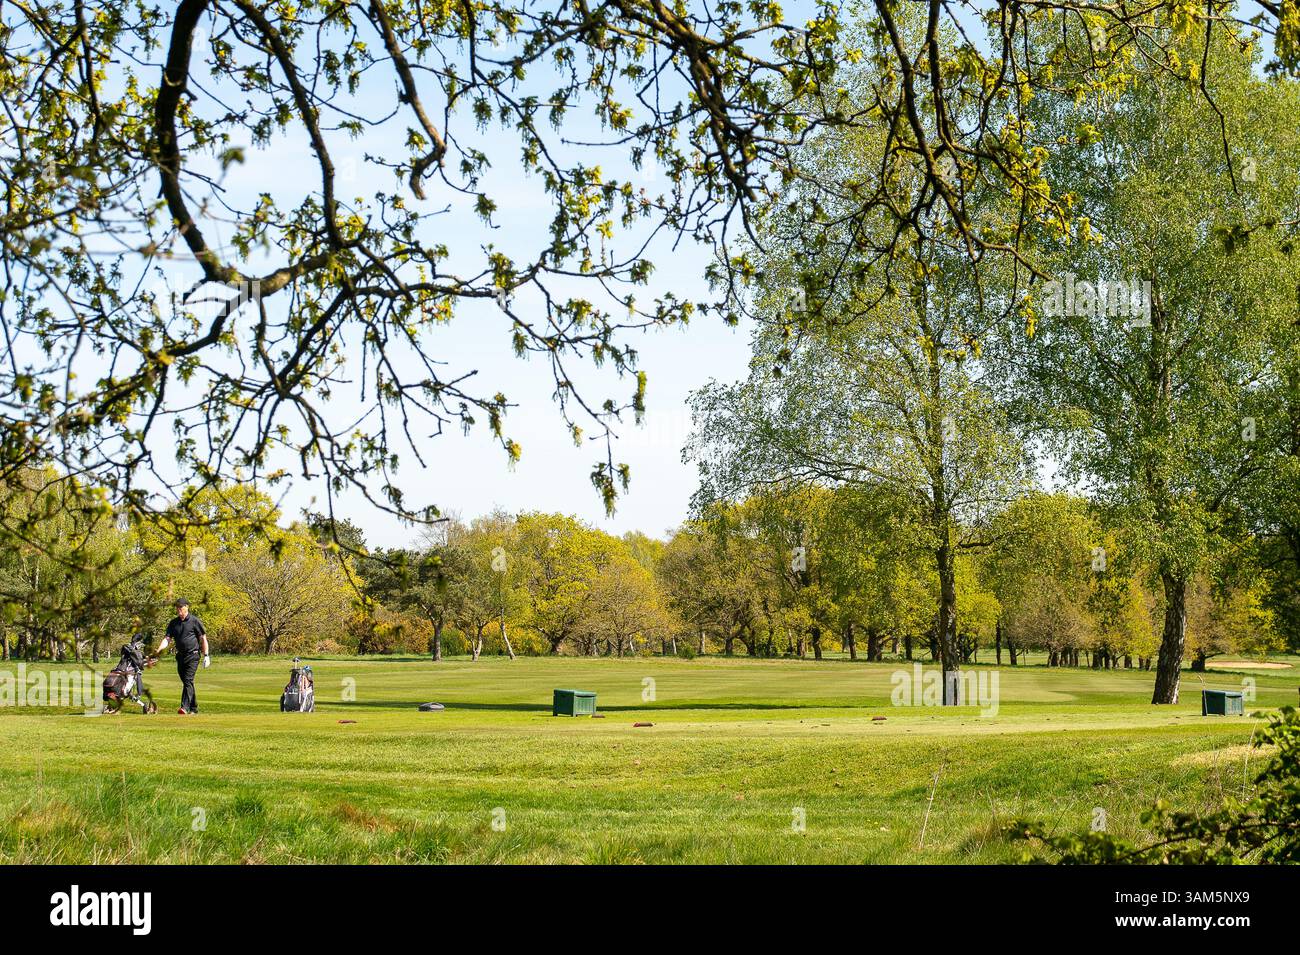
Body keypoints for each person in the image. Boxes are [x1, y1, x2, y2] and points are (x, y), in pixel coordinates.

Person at [157, 598, 210, 714]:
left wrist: (206, 655)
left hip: (193, 655)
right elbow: (167, 639)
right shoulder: (174, 623)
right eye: (177, 607)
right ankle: (194, 708)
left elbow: (203, 638)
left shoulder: (195, 621)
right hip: (180, 656)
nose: (178, 609)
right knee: (188, 683)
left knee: (188, 680)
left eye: (181, 607)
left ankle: (184, 707)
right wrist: (159, 650)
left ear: (187, 607)